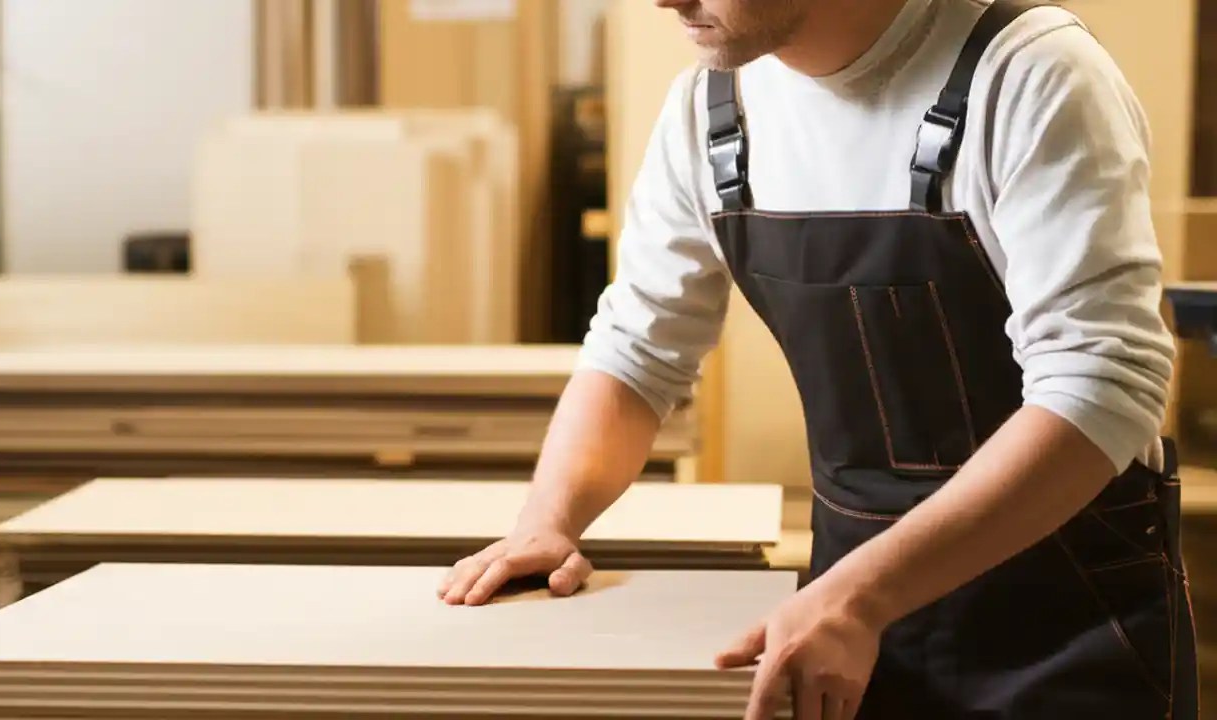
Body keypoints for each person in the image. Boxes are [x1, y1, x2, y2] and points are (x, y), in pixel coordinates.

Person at [438, 0, 1199, 717]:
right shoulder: (711, 111)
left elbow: (1099, 387)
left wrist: (860, 596)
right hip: (841, 619)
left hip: (1063, 627)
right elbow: (639, 348)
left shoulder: (1030, 75)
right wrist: (548, 521)